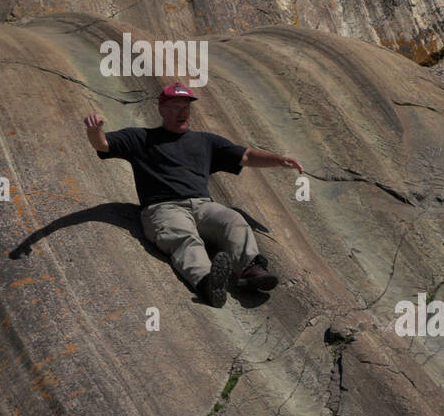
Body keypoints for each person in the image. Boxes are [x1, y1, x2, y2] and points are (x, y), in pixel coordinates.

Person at [83, 82, 302, 306]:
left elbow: (246, 156)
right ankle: (208, 282)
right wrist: (94, 130)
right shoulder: (141, 138)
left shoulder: (206, 141)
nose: (183, 112)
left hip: (202, 205)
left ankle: (250, 271)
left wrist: (279, 160)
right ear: (162, 110)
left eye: (186, 107)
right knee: (184, 237)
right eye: (176, 107)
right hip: (163, 208)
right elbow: (103, 145)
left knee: (233, 220)